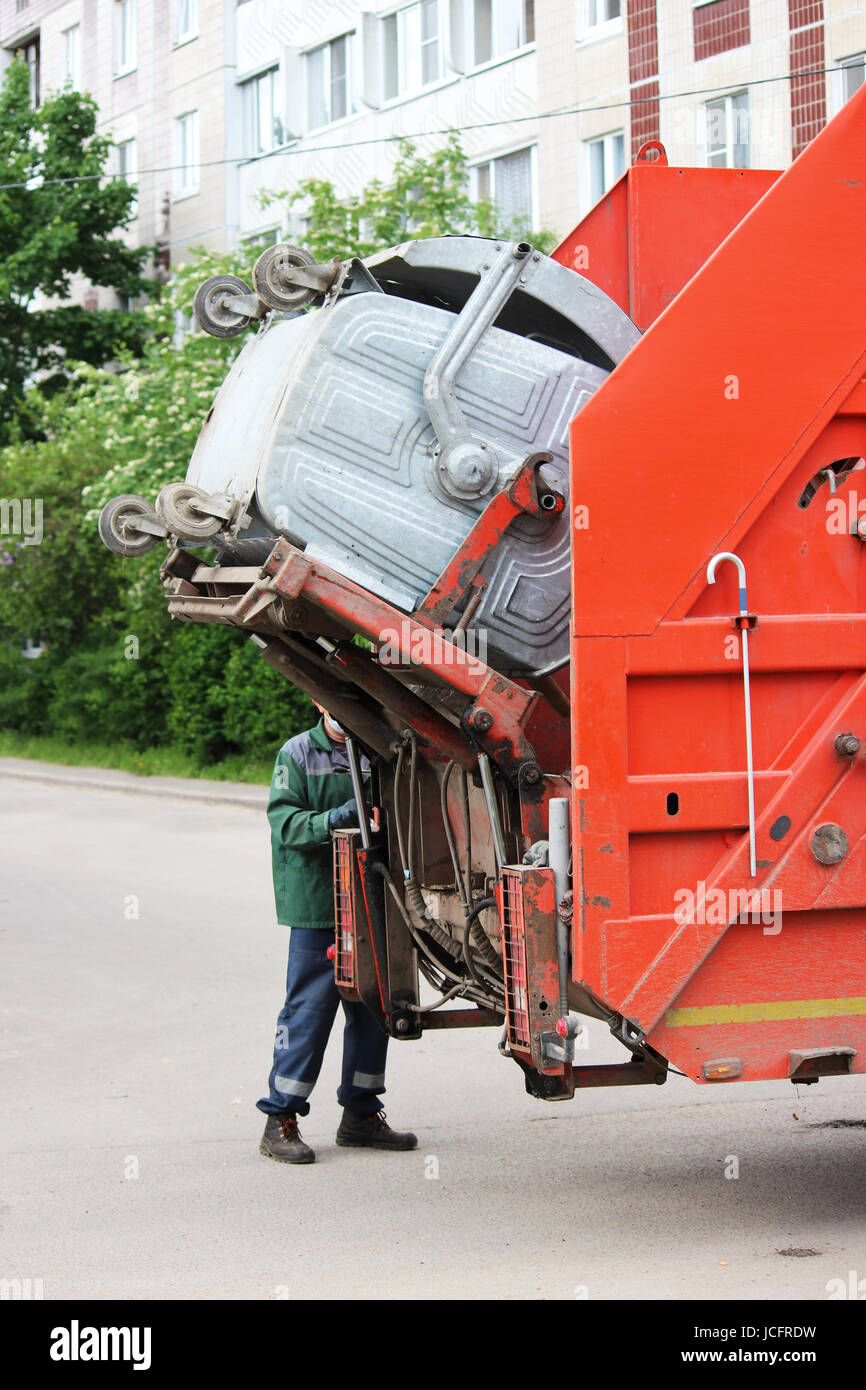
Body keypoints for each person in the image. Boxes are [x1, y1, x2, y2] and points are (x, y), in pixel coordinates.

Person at [257, 705, 417, 1164]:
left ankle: (361, 1116)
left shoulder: (377, 750)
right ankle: (279, 1118)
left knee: (374, 1006)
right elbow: (286, 824)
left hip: (370, 899)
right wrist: (334, 819)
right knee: (308, 1011)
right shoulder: (298, 753)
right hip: (319, 907)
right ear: (318, 702)